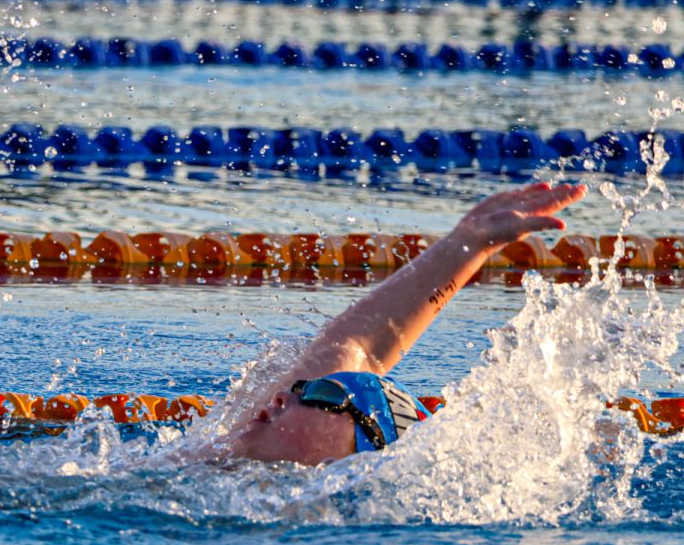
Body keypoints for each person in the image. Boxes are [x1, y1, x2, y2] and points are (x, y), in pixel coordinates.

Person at [219, 181, 588, 465]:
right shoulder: (209, 458)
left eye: (321, 395)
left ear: (365, 447)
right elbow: (357, 346)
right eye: (302, 387)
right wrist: (469, 241)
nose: (282, 395)